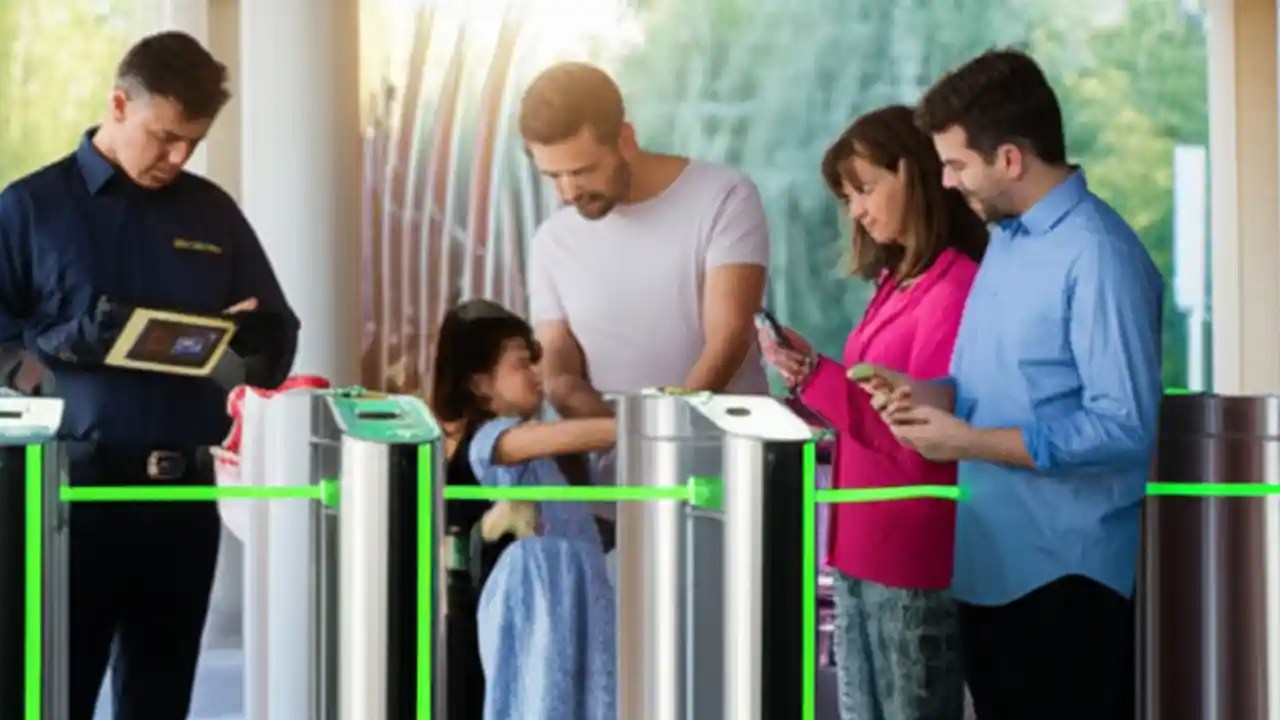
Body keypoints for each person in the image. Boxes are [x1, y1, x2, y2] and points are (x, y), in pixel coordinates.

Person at [0, 32, 297, 719]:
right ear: (118, 105)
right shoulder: (30, 208)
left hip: (183, 497)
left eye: (192, 141)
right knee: (51, 696)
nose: (178, 157)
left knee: (161, 700)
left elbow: (275, 349)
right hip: (70, 495)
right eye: (164, 137)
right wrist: (68, 343)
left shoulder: (212, 212)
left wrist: (254, 340)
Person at [862, 49, 1162, 720]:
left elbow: (1123, 425)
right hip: (990, 569)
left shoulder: (1099, 254)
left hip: (1067, 584)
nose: (944, 182)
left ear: (1009, 160)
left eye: (956, 164)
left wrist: (965, 441)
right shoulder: (1008, 243)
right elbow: (993, 387)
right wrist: (920, 394)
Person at [759, 105, 985, 720]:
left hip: (911, 554)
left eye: (864, 188)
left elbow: (916, 430)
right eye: (847, 196)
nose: (855, 210)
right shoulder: (898, 283)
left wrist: (817, 379)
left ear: (912, 173)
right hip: (860, 548)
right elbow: (871, 398)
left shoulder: (956, 287)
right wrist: (814, 377)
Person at [521, 61, 770, 417]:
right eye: (553, 176)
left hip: (731, 456)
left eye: (583, 171)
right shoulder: (551, 241)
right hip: (617, 460)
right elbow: (559, 371)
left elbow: (729, 338)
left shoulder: (724, 196)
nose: (568, 192)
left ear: (625, 140)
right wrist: (618, 442)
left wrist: (657, 441)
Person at [431, 298, 616, 720]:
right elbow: (587, 434)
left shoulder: (535, 451)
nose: (537, 374)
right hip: (541, 593)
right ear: (480, 383)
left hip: (570, 588)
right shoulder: (494, 439)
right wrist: (652, 426)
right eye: (521, 364)